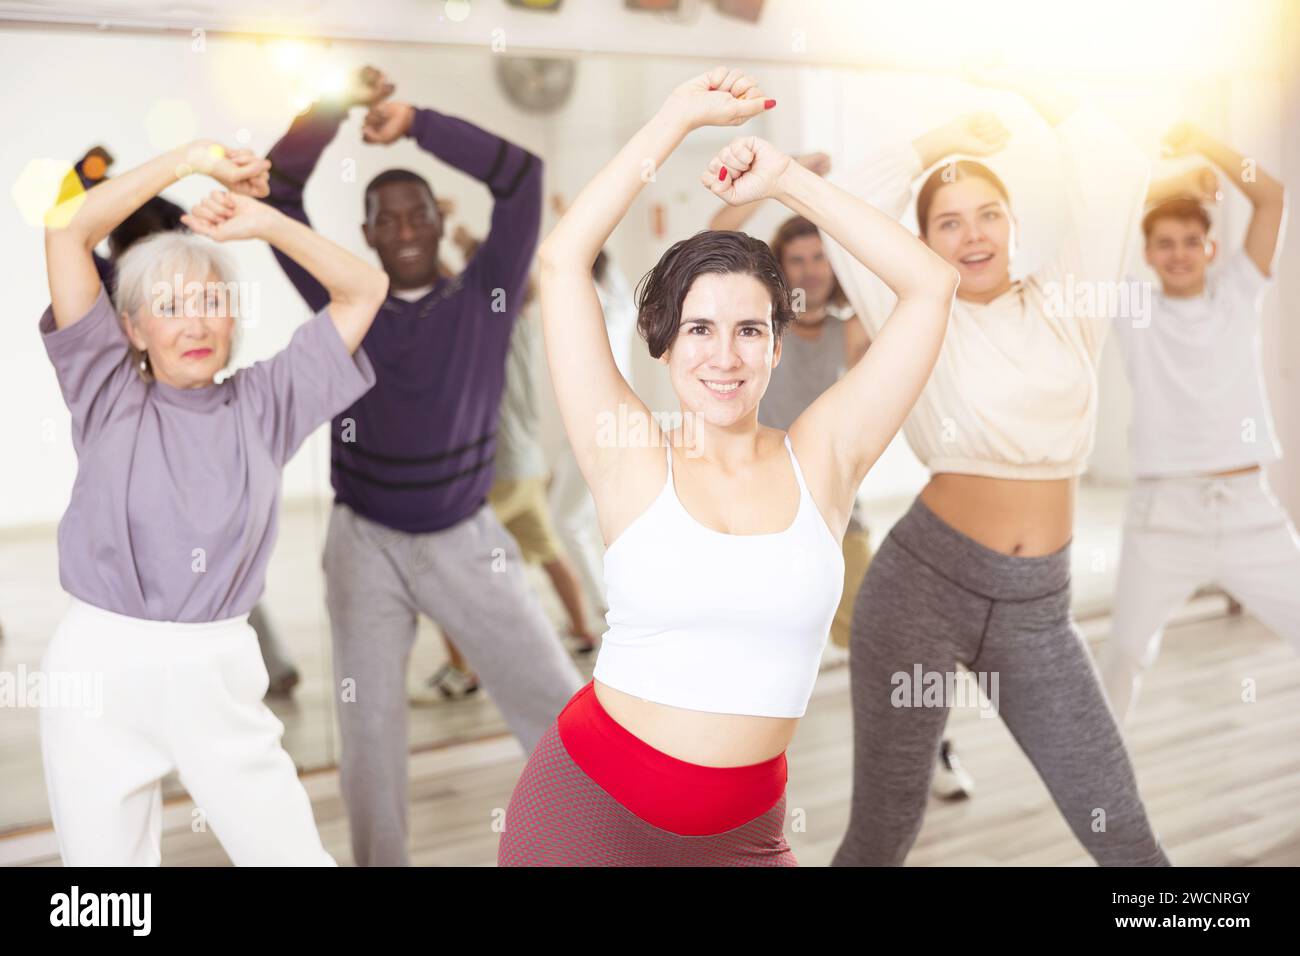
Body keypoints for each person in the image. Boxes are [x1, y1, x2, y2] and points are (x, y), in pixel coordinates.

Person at [498, 65, 957, 866]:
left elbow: (930, 286)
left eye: (750, 330)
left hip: (747, 835)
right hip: (590, 816)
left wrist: (786, 182)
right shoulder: (628, 452)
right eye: (700, 329)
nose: (724, 355)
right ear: (666, 344)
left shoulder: (824, 457)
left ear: (778, 347)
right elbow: (561, 264)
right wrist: (673, 119)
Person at [823, 69, 1171, 866]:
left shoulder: (1067, 301)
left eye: (988, 214)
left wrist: (1030, 86)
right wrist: (941, 141)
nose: (972, 234)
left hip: (1037, 611)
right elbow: (847, 196)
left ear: (1015, 225)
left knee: (1121, 830)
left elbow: (1117, 168)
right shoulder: (914, 307)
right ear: (922, 242)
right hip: (920, 588)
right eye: (947, 222)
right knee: (882, 835)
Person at [263, 66, 582, 866]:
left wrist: (412, 121)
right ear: (366, 235)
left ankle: (599, 846)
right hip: (362, 545)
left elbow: (522, 176)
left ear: (437, 224)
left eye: (416, 214)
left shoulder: (487, 296)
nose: (404, 228)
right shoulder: (347, 303)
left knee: (559, 708)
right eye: (385, 218)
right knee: (368, 734)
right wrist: (333, 105)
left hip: (465, 539)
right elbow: (276, 198)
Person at [38, 138, 387, 865]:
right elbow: (65, 227)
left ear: (235, 319)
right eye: (168, 307)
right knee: (104, 888)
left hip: (216, 667)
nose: (193, 322)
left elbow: (364, 291)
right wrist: (191, 159)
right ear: (132, 328)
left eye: (211, 303)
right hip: (99, 666)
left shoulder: (269, 402)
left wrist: (263, 223)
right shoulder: (104, 389)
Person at [68, 145, 303, 697]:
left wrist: (95, 174)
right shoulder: (110, 288)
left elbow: (105, 218)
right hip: (135, 429)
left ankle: (258, 663)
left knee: (215, 549)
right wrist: (97, 176)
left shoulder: (123, 275)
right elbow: (69, 230)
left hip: (184, 420)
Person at [1100, 123, 1296, 723]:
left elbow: (1271, 197)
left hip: (1249, 514)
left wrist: (1207, 147)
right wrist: (1176, 179)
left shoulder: (1240, 291)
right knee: (1125, 654)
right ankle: (1100, 797)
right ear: (1147, 252)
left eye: (1191, 240)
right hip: (1164, 520)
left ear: (1212, 248)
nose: (1179, 252)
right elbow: (1103, 211)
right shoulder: (1132, 307)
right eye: (1165, 242)